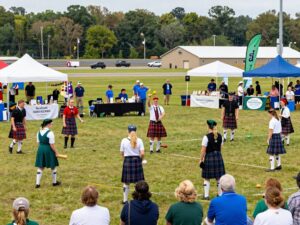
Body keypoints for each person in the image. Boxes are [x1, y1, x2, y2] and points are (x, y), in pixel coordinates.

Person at [200, 120, 225, 200]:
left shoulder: (206, 137)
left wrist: (201, 159)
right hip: (218, 156)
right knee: (219, 177)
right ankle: (220, 194)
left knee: (207, 178)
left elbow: (203, 150)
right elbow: (221, 148)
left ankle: (206, 196)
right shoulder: (220, 136)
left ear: (208, 127)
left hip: (209, 157)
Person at [120, 125, 145, 204]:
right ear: (136, 131)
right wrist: (140, 160)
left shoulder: (124, 140)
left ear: (128, 131)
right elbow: (142, 153)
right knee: (137, 182)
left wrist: (125, 159)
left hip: (127, 161)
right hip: (137, 161)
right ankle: (138, 199)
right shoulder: (139, 140)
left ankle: (125, 200)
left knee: (126, 182)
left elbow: (121, 152)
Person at [35, 119, 61, 188]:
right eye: (51, 124)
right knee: (53, 166)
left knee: (40, 166)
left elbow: (38, 143)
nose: (52, 125)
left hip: (40, 149)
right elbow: (52, 145)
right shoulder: (50, 133)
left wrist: (41, 149)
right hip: (48, 150)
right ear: (48, 124)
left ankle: (37, 184)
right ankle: (54, 182)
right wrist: (56, 152)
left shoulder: (38, 132)